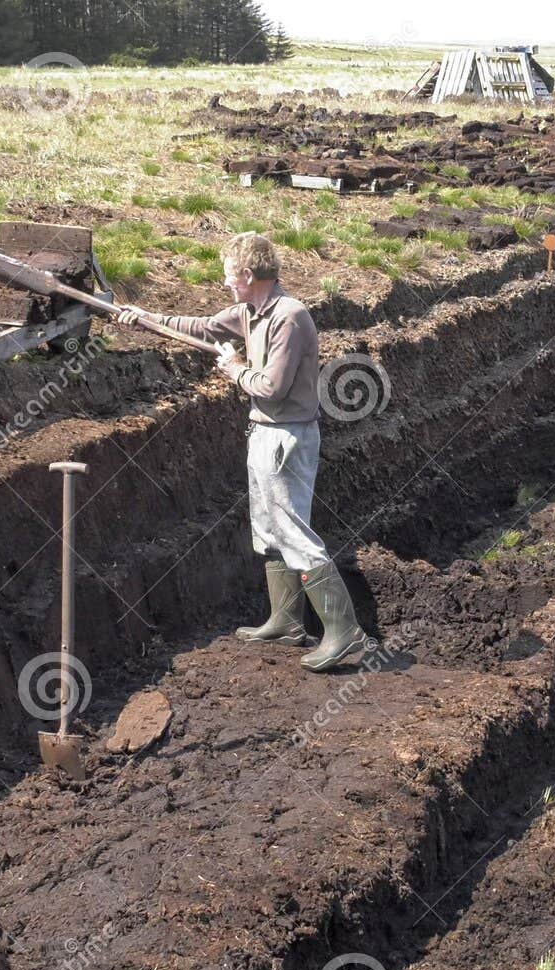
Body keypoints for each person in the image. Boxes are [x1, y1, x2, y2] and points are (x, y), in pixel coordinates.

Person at [116, 233, 369, 672]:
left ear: (249, 275)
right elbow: (202, 326)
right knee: (269, 530)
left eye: (230, 275)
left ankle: (345, 634)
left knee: (292, 532)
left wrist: (236, 371)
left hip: (286, 437)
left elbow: (271, 388)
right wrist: (143, 317)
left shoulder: (289, 318)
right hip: (265, 433)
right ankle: (287, 620)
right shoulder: (251, 312)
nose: (225, 283)